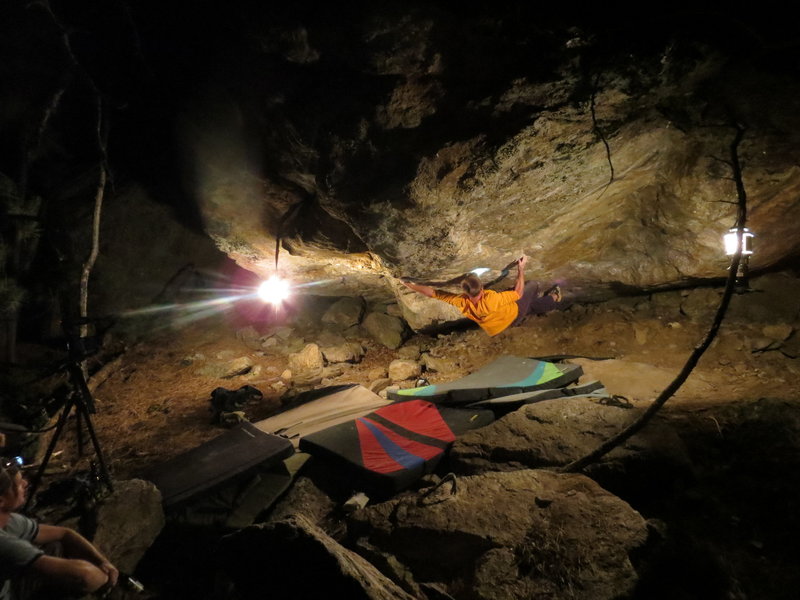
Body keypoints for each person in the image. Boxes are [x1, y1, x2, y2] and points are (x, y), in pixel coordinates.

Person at [0, 457, 118, 600]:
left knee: (55, 546)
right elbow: (84, 577)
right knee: (75, 582)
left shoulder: (11, 521)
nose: (25, 483)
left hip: (10, 586)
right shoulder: (5, 544)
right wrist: (106, 578)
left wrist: (102, 562)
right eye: (18, 484)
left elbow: (64, 533)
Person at [401, 255, 566, 337]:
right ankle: (553, 299)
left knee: (528, 307)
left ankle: (542, 303)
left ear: (465, 292)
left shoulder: (462, 302)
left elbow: (433, 293)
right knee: (531, 286)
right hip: (511, 315)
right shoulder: (491, 299)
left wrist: (410, 285)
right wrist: (521, 268)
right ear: (482, 288)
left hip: (497, 327)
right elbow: (518, 293)